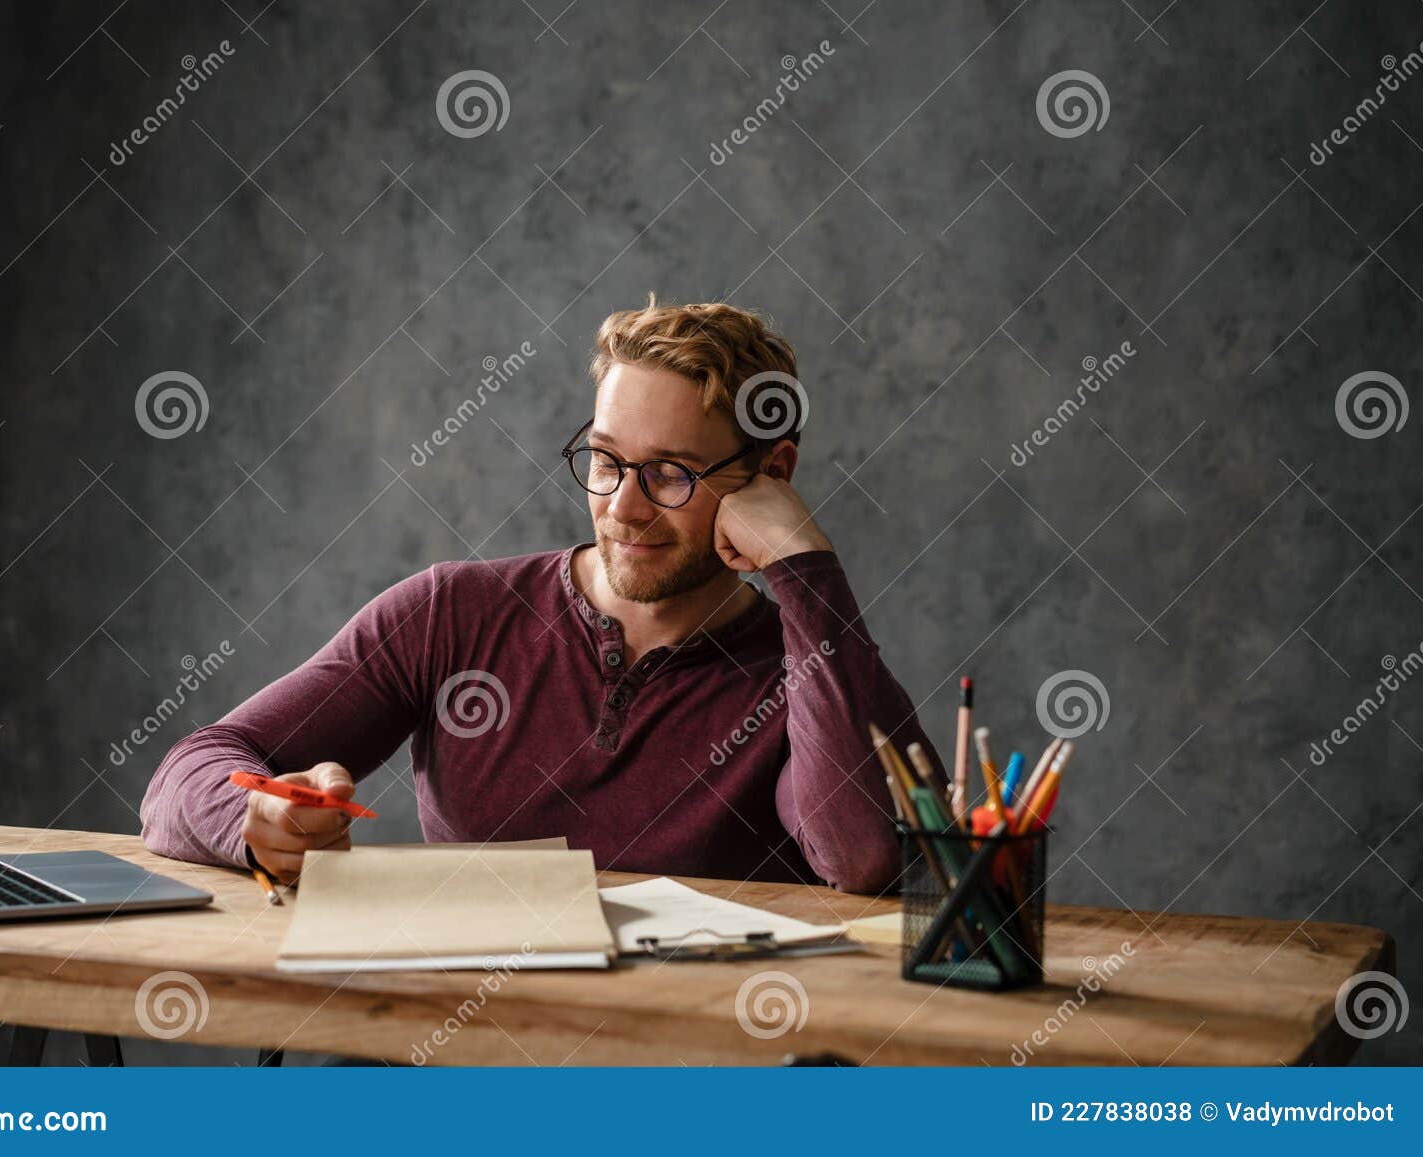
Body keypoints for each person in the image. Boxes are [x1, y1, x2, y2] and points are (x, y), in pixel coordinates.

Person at [140, 297, 940, 893]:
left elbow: (864, 856)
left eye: (670, 473)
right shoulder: (451, 614)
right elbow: (188, 771)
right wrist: (258, 823)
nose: (622, 506)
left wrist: (805, 568)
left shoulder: (807, 672)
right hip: (455, 1058)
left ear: (771, 475)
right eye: (604, 459)